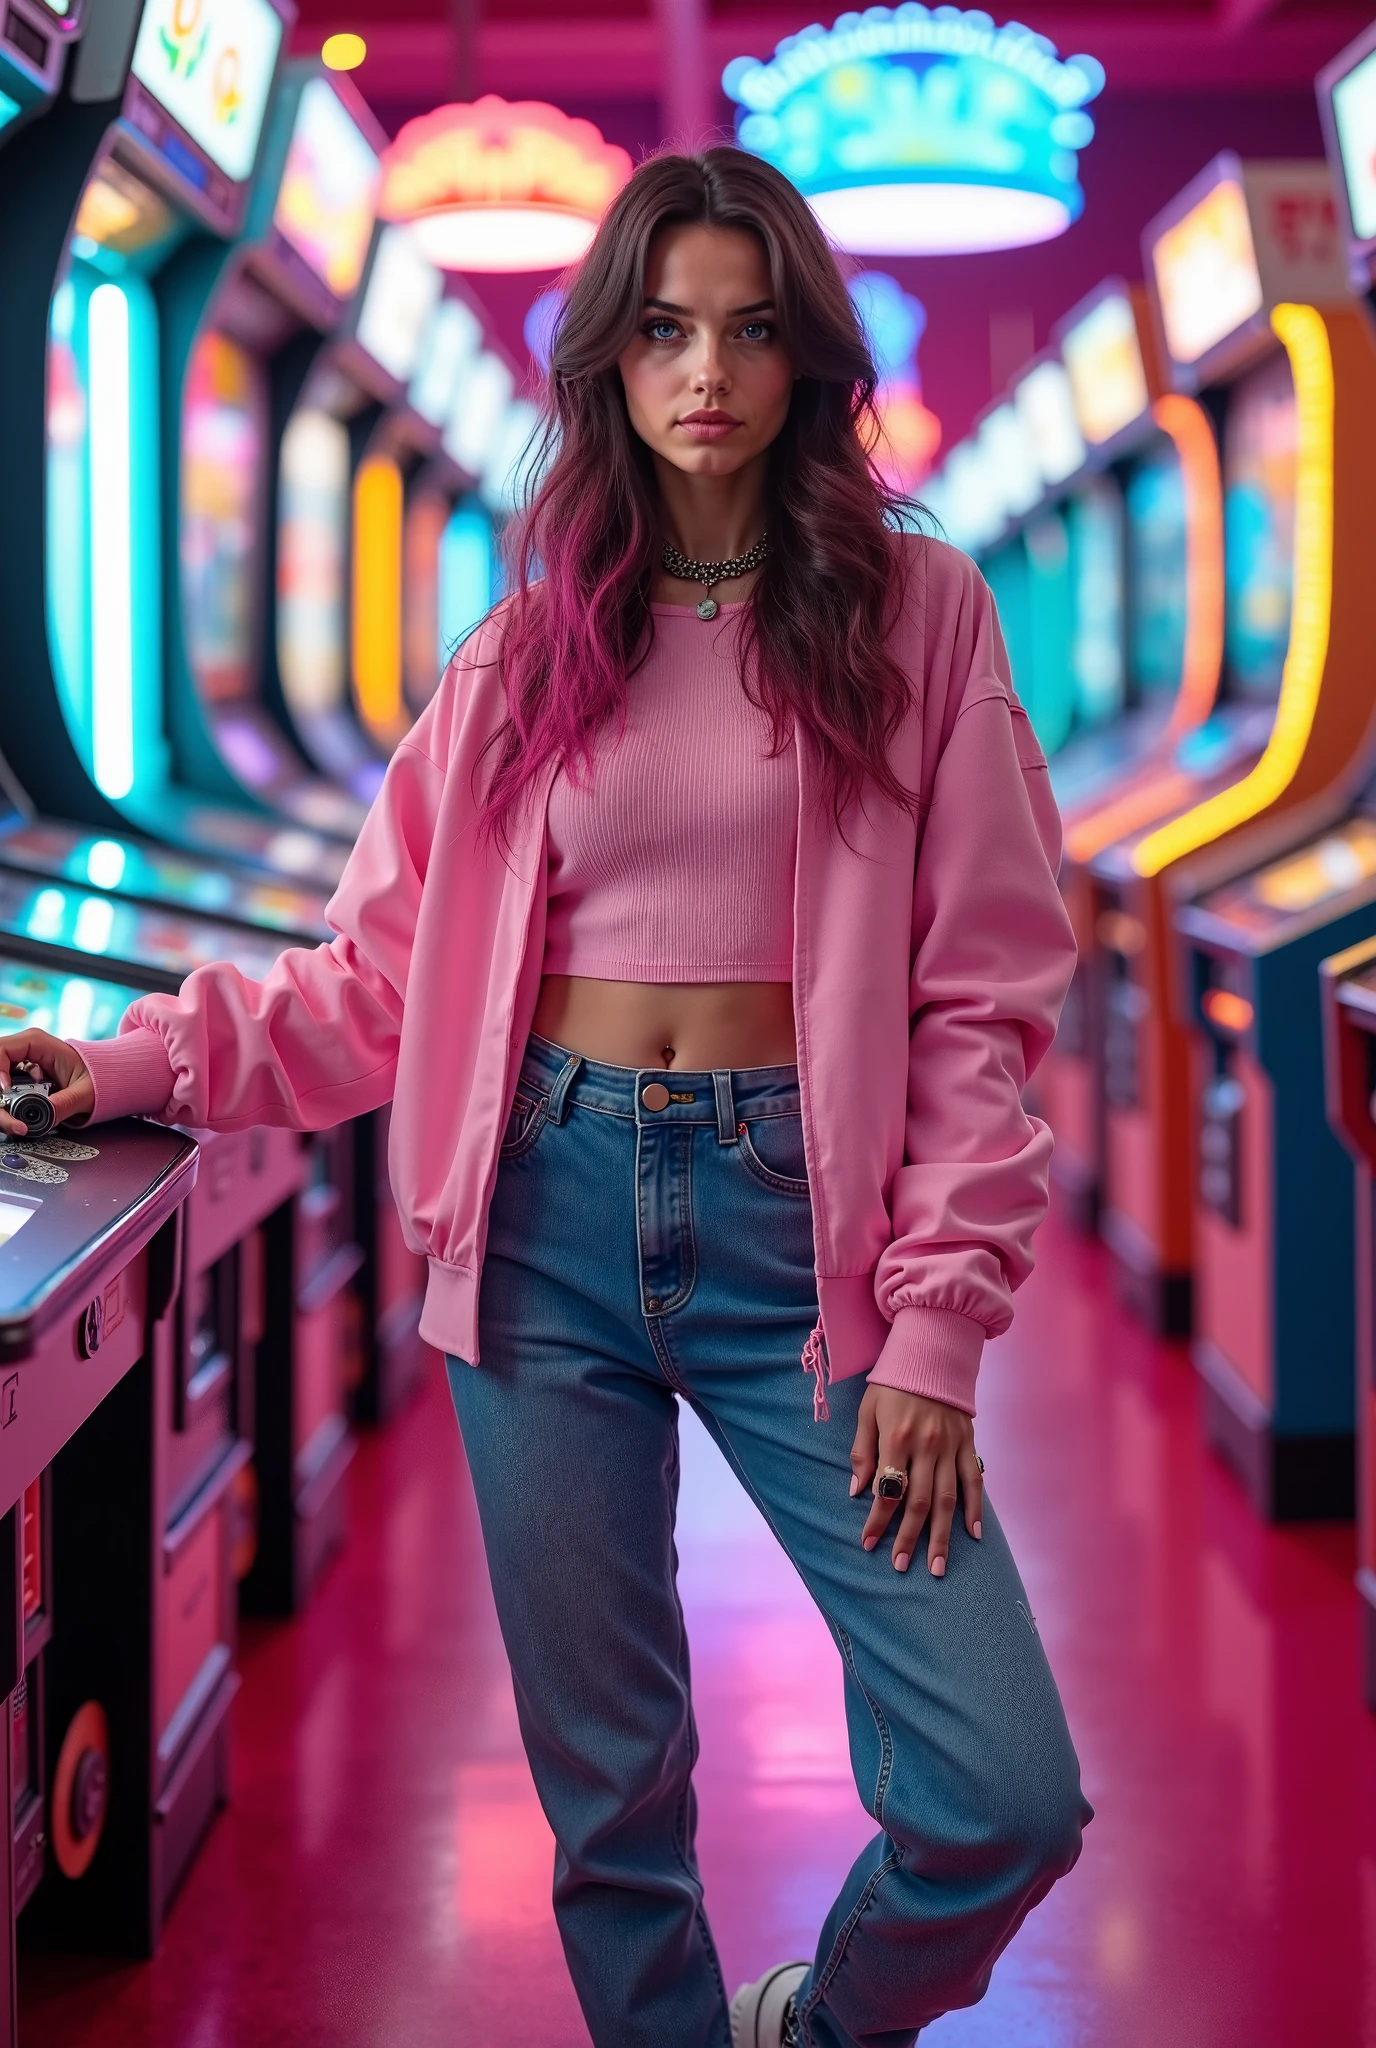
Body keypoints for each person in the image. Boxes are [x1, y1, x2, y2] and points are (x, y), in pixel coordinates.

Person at [2, 148, 1089, 2048]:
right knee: (612, 1804)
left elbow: (982, 1000)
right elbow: (377, 983)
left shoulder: (918, 615)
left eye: (750, 330)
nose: (708, 374)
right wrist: (131, 1061)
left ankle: (814, 2029)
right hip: (539, 1228)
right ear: (609, 359)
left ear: (808, 358)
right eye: (664, 329)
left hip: (807, 1239)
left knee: (1003, 1788)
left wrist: (936, 1328)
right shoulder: (529, 646)